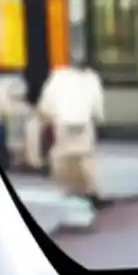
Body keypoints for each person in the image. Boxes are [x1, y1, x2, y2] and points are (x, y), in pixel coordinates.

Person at [36, 61, 104, 201]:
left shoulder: (58, 77)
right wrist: (99, 117)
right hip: (84, 122)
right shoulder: (91, 79)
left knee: (64, 156)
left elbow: (47, 103)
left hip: (63, 122)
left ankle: (71, 187)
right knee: (84, 156)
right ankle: (89, 188)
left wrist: (47, 116)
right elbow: (97, 105)